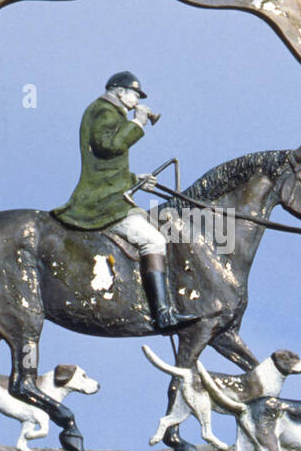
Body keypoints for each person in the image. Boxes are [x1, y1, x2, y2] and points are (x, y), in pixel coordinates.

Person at [52, 72, 198, 331]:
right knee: (154, 240)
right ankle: (162, 313)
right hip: (101, 201)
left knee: (147, 223)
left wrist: (134, 179)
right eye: (134, 94)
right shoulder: (105, 112)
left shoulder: (106, 112)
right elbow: (110, 147)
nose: (136, 99)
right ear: (119, 91)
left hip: (107, 192)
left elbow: (105, 165)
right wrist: (139, 123)